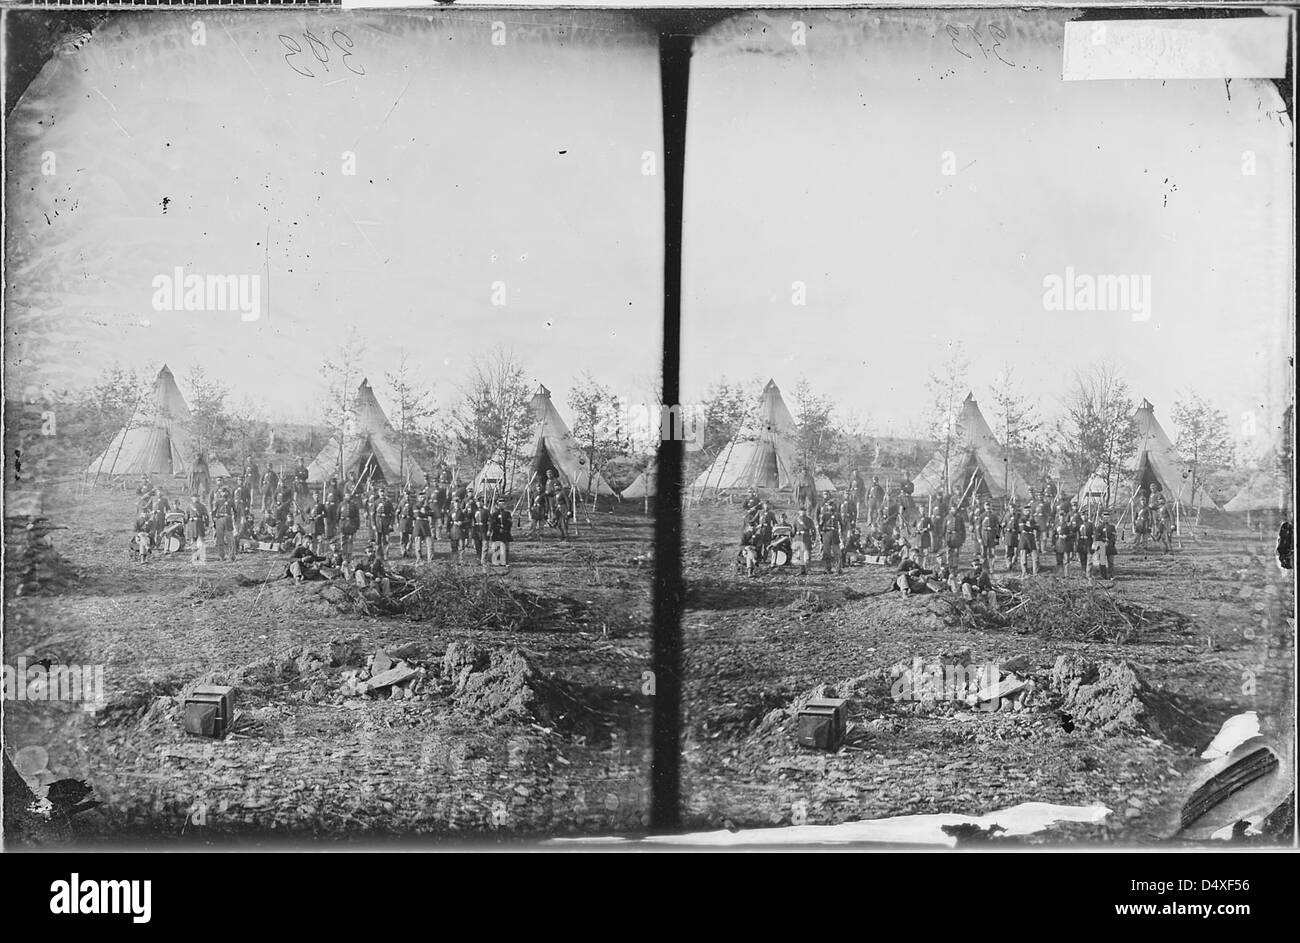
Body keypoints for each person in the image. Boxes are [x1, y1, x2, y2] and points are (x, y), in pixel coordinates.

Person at [211, 490, 237, 562]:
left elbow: (235, 511)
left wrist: (235, 519)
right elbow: (213, 512)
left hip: (228, 520)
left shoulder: (231, 501)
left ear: (228, 493)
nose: (224, 493)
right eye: (223, 492)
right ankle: (221, 556)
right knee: (220, 539)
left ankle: (231, 556)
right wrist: (214, 519)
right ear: (220, 493)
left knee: (230, 539)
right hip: (219, 520)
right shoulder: (217, 501)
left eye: (226, 492)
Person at [185, 496, 211, 565]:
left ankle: (201, 557)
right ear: (192, 498)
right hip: (191, 525)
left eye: (197, 497)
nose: (196, 499)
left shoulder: (202, 506)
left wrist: (206, 525)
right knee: (193, 542)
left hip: (199, 524)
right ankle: (194, 557)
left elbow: (206, 516)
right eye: (194, 497)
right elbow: (186, 516)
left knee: (200, 542)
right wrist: (184, 521)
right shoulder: (189, 506)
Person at [489, 500, 513, 566]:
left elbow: (510, 523)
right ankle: (497, 562)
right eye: (500, 503)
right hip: (497, 533)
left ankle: (505, 562)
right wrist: (498, 528)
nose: (502, 505)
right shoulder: (494, 514)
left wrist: (505, 529)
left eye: (503, 503)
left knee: (506, 548)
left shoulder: (508, 513)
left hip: (506, 533)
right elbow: (493, 524)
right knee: (497, 548)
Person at [1018, 503, 1040, 577]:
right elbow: (1022, 528)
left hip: (1031, 538)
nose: (1028, 512)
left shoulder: (1032, 519)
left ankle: (1035, 573)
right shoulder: (1021, 519)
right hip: (1024, 539)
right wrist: (1031, 527)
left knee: (1035, 557)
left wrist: (1030, 526)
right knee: (1023, 558)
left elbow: (1037, 527)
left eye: (1029, 511)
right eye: (1027, 511)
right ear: (1024, 511)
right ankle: (1024, 573)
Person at [792, 508, 814, 576]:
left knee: (807, 555)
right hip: (798, 538)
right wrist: (792, 536)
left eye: (804, 511)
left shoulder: (809, 520)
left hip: (806, 538)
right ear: (799, 512)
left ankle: (808, 570)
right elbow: (793, 530)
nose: (802, 512)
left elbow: (813, 529)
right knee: (799, 555)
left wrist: (813, 538)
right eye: (801, 511)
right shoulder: (796, 520)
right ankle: (801, 570)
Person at [1098, 511, 1119, 579]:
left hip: (1110, 547)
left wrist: (1109, 542)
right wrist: (1103, 542)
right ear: (1102, 518)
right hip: (1102, 546)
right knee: (1102, 562)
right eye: (1105, 518)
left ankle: (1111, 575)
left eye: (1107, 518)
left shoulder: (1112, 527)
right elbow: (1097, 537)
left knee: (1111, 562)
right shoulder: (1099, 527)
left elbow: (1114, 537)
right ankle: (1103, 576)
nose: (1106, 519)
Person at [472, 498, 491, 565]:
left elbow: (490, 521)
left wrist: (489, 530)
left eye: (480, 502)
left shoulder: (486, 511)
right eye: (477, 502)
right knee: (478, 546)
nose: (479, 503)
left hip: (484, 530)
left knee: (485, 545)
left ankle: (484, 561)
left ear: (482, 503)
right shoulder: (473, 511)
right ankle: (479, 559)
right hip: (476, 530)